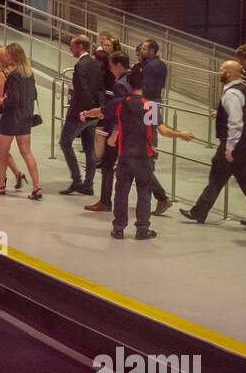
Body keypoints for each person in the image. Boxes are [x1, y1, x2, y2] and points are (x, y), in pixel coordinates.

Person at [107, 68, 194, 240]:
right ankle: (142, 229)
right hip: (143, 156)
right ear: (144, 84)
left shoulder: (121, 103)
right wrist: (180, 134)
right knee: (144, 193)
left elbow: (100, 111)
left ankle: (118, 228)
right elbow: (163, 131)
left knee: (121, 193)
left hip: (125, 155)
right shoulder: (150, 106)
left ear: (128, 85)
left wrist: (87, 113)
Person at [180, 60, 246, 225]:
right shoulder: (242, 89)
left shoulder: (232, 93)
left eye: (223, 69)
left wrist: (229, 147)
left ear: (231, 73)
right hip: (243, 141)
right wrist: (220, 113)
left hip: (234, 143)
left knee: (218, 176)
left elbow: (236, 122)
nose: (220, 71)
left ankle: (199, 212)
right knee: (245, 180)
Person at [0, 43, 42, 200]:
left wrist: (0, 102)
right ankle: (37, 187)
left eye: (7, 55)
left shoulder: (12, 75)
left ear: (12, 56)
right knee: (27, 153)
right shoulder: (29, 73)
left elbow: (13, 100)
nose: (5, 57)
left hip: (10, 118)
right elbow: (33, 95)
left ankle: (0, 185)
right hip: (26, 118)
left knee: (2, 153)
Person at [81, 51, 131, 214]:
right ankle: (161, 196)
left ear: (118, 65)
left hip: (118, 131)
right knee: (135, 166)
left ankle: (105, 201)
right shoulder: (129, 80)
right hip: (127, 130)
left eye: (110, 65)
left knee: (109, 164)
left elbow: (120, 110)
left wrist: (115, 133)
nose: (108, 69)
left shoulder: (120, 85)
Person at [137, 38, 173, 216]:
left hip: (148, 103)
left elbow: (148, 87)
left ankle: (161, 197)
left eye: (144, 48)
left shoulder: (149, 67)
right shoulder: (161, 65)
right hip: (154, 102)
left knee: (147, 141)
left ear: (151, 50)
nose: (141, 51)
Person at [59, 33, 98, 195]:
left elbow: (82, 90)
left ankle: (77, 179)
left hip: (81, 113)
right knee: (89, 148)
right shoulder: (95, 63)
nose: (70, 47)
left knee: (65, 142)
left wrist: (88, 110)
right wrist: (96, 109)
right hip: (94, 113)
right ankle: (88, 184)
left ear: (80, 46)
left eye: (72, 45)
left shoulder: (80, 66)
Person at [0, 48, 28, 190]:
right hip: (12, 114)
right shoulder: (17, 73)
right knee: (2, 148)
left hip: (0, 114)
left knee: (0, 148)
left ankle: (3, 180)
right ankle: (17, 174)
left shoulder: (1, 75)